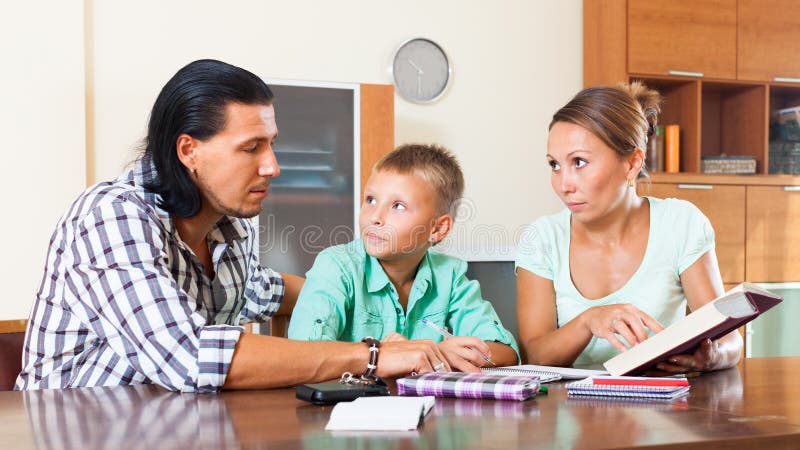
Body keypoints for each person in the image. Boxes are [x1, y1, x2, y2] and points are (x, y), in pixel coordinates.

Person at [15, 59, 451, 393]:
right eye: (251, 148)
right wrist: (372, 356)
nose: (273, 166)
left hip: (172, 427)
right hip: (74, 428)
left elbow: (268, 290)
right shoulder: (110, 216)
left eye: (272, 145)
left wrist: (390, 296)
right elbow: (190, 356)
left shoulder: (231, 228)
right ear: (189, 150)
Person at [516, 82, 742, 374]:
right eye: (555, 165)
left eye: (579, 162)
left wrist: (711, 356)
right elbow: (535, 354)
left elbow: (730, 341)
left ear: (633, 163)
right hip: (574, 412)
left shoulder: (681, 224)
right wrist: (589, 320)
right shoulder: (542, 239)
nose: (563, 185)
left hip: (665, 410)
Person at [288, 144, 519, 371]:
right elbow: (305, 355)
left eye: (398, 206)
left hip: (427, 408)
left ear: (437, 229)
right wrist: (383, 355)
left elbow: (505, 351)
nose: (375, 217)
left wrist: (434, 355)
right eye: (370, 200)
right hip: (347, 407)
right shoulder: (337, 267)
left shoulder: (449, 275)